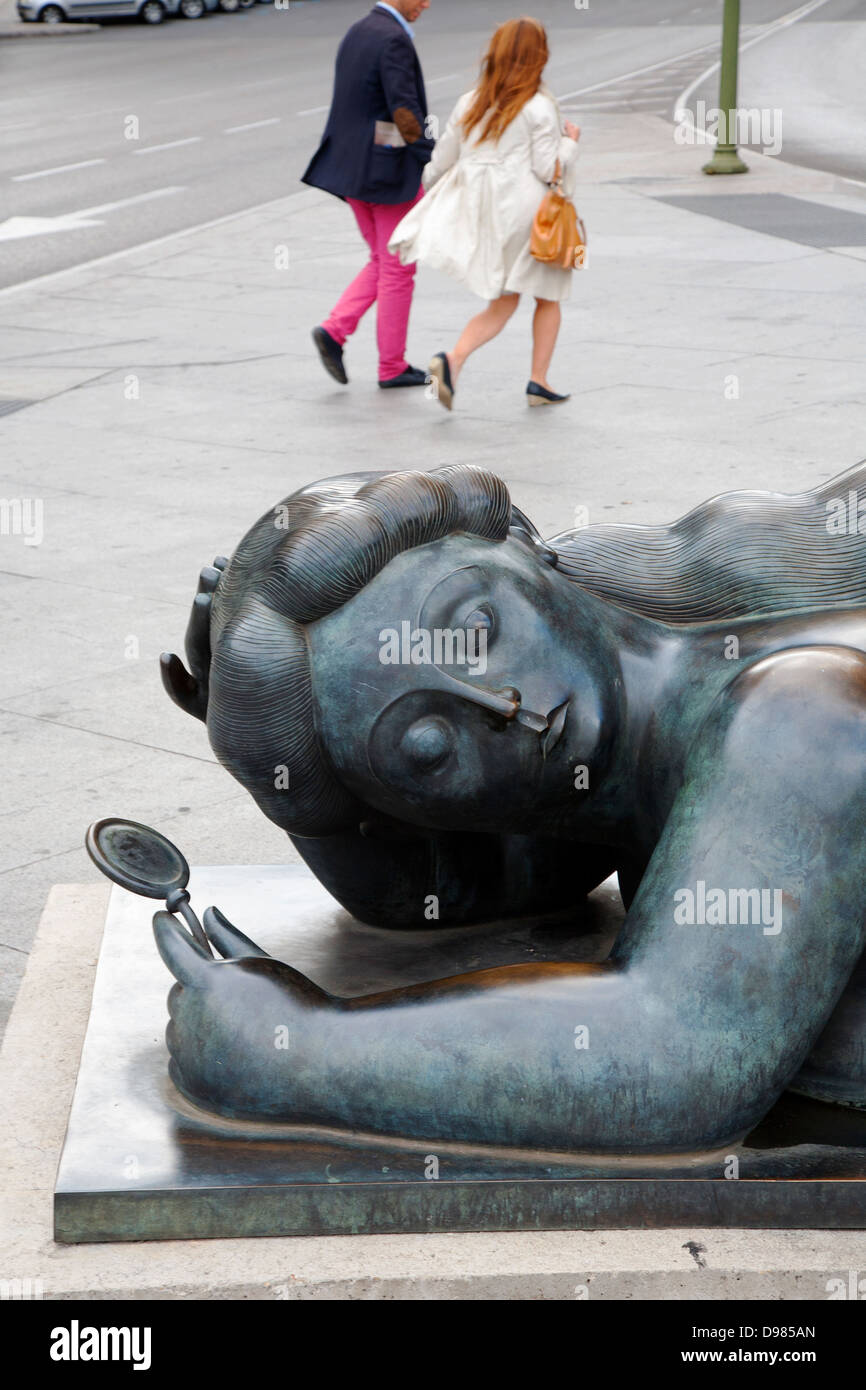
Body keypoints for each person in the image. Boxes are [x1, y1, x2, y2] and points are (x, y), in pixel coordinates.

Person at [158, 461, 866, 1151]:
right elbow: (438, 897)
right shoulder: (617, 765)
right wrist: (290, 782)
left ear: (525, 547)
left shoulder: (798, 714)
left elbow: (682, 1055)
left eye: (476, 629)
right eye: (427, 749)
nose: (503, 705)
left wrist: (295, 1047)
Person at [388, 16, 581, 410]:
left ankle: (453, 360)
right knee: (548, 296)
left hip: (487, 213)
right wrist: (571, 143)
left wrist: (428, 193)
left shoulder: (470, 102)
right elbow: (548, 169)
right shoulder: (539, 106)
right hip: (530, 213)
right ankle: (537, 381)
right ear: (538, 56)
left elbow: (442, 161)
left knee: (504, 301)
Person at [301, 1, 434, 390]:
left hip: (352, 170)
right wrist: (430, 157)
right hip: (385, 173)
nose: (427, 4)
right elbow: (404, 112)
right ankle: (391, 366)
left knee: (381, 259)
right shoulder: (393, 39)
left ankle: (334, 331)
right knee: (398, 266)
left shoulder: (359, 30)